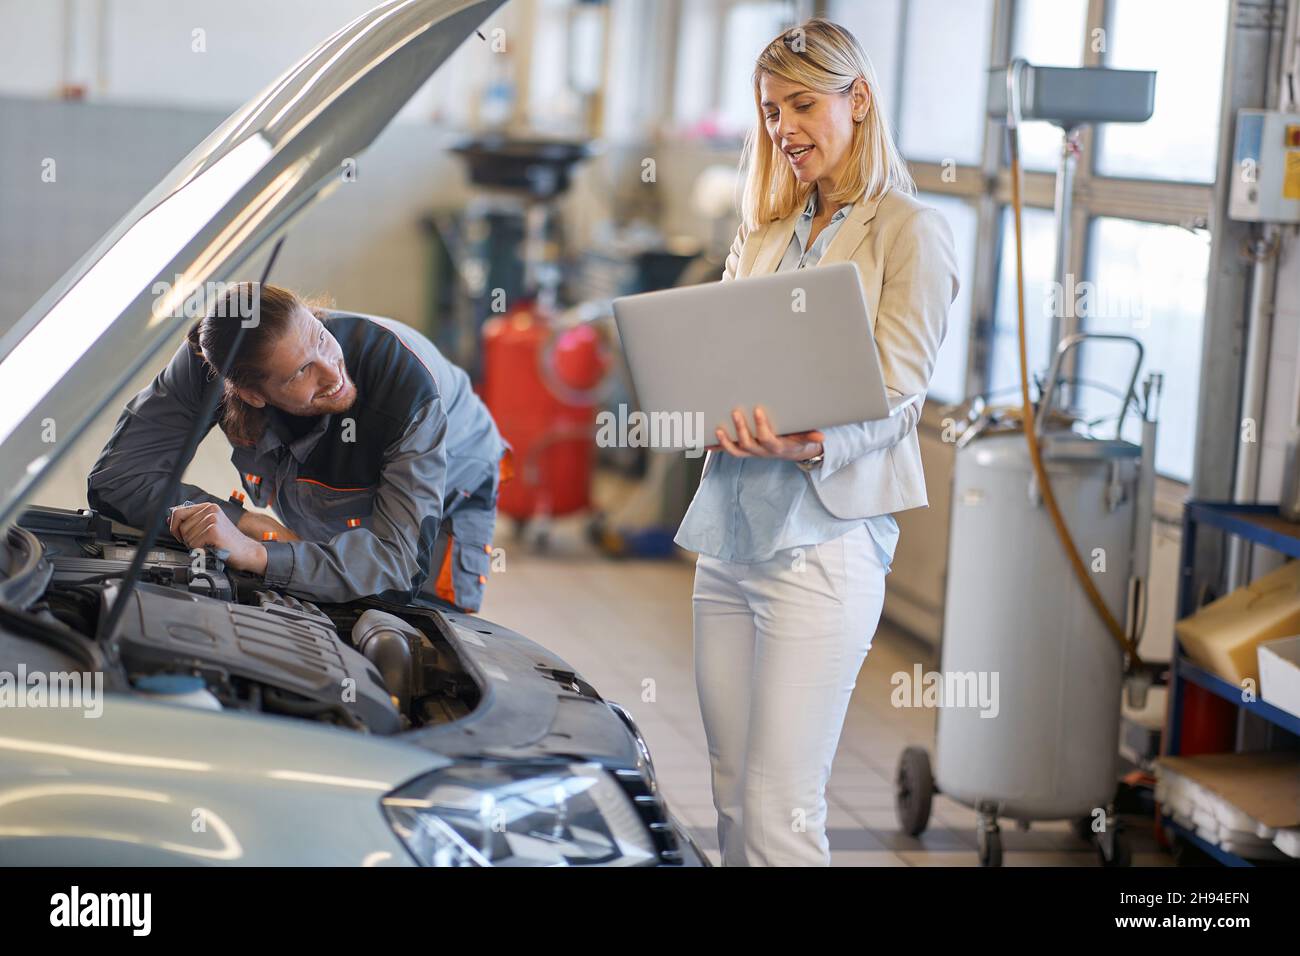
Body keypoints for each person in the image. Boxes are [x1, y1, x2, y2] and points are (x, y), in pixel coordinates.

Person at [675, 18, 959, 866]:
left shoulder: (911, 230)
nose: (782, 129)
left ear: (858, 99)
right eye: (768, 112)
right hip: (729, 540)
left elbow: (899, 391)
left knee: (777, 807)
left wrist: (808, 444)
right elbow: (718, 357)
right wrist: (704, 405)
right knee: (729, 788)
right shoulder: (763, 230)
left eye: (802, 104)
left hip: (823, 549)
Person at [88, 282, 508, 612]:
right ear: (251, 394)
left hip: (452, 486)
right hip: (333, 496)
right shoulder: (215, 360)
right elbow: (117, 480)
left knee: (407, 626)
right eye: (301, 371)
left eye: (321, 337)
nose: (332, 374)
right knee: (322, 597)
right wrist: (243, 522)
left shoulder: (404, 390)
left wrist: (255, 551)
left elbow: (397, 570)